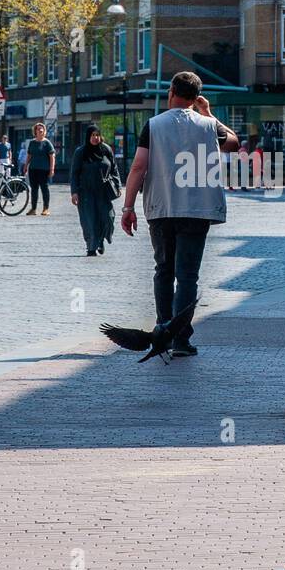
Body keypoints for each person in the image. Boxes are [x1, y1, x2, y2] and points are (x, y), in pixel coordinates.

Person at [120, 71, 239, 357]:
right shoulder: (208, 125)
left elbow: (138, 167)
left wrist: (128, 207)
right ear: (196, 97)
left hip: (162, 209)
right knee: (188, 276)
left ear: (171, 91)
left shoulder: (154, 125)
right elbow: (234, 142)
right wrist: (208, 112)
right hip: (196, 211)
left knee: (164, 271)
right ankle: (181, 339)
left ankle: (163, 331)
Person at [71, 123, 121, 256]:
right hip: (86, 192)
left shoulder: (106, 150)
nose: (95, 138)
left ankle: (101, 240)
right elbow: (74, 173)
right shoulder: (80, 152)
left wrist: (117, 185)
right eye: (93, 135)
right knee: (90, 221)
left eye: (97, 135)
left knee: (108, 218)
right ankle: (91, 247)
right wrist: (74, 192)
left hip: (103, 191)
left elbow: (114, 168)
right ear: (88, 136)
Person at [26, 122, 56, 215]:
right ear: (35, 131)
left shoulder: (47, 143)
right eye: (38, 129)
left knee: (44, 188)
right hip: (33, 169)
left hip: (44, 170)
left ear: (44, 131)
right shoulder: (32, 143)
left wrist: (52, 169)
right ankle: (33, 209)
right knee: (34, 189)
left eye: (42, 129)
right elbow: (29, 155)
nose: (40, 130)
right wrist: (25, 166)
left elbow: (52, 157)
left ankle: (46, 208)